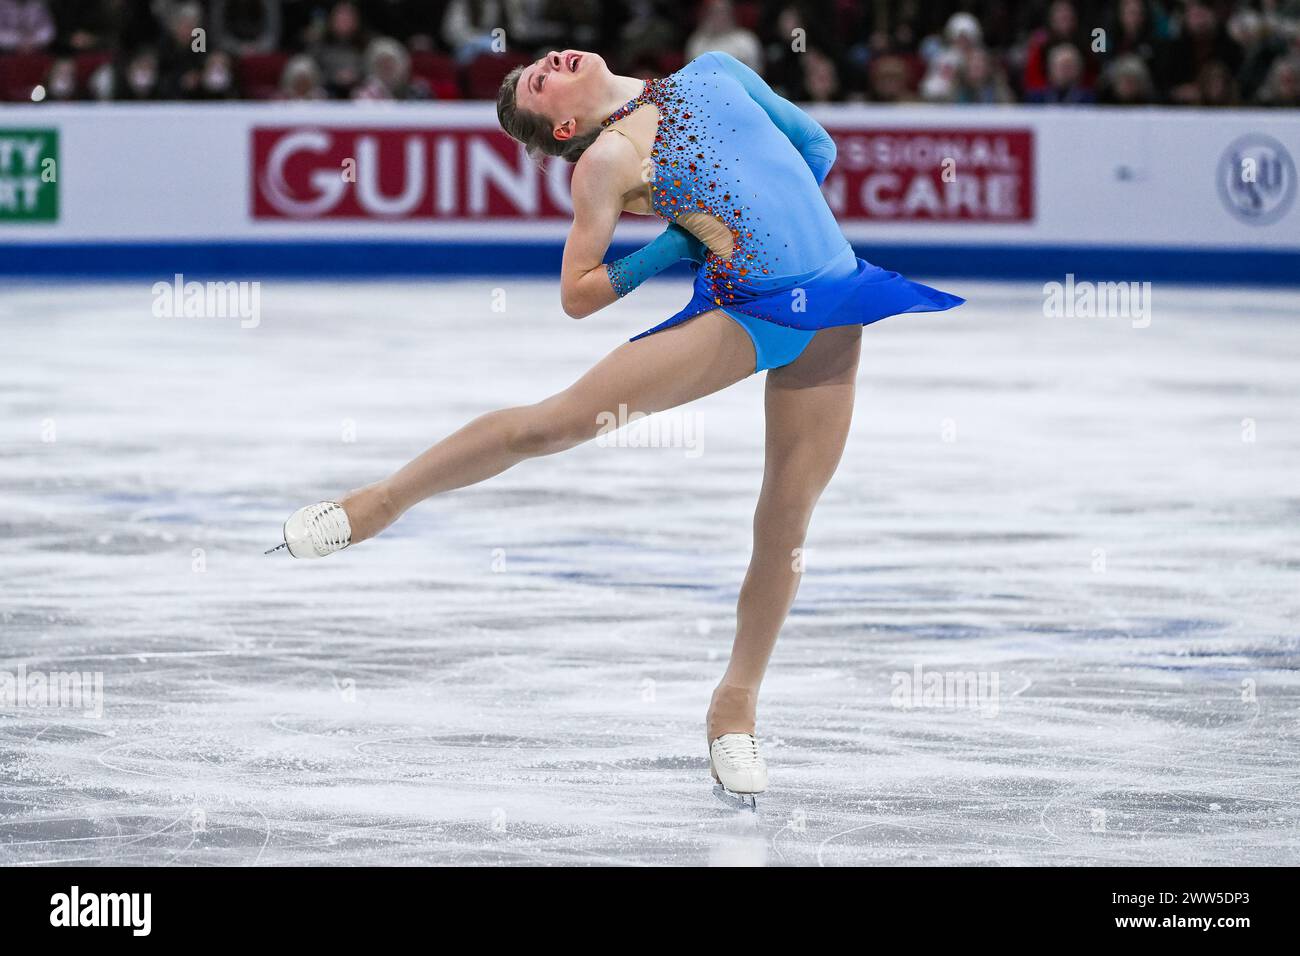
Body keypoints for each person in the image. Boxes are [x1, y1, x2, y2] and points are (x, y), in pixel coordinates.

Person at [271, 48, 963, 803]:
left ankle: (735, 706)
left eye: (541, 61)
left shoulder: (714, 71)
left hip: (836, 303)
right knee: (551, 426)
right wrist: (672, 244)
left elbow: (816, 148)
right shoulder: (604, 159)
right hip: (747, 313)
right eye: (541, 81)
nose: (550, 60)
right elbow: (578, 292)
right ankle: (377, 503)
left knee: (786, 520)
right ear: (564, 121)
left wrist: (765, 210)